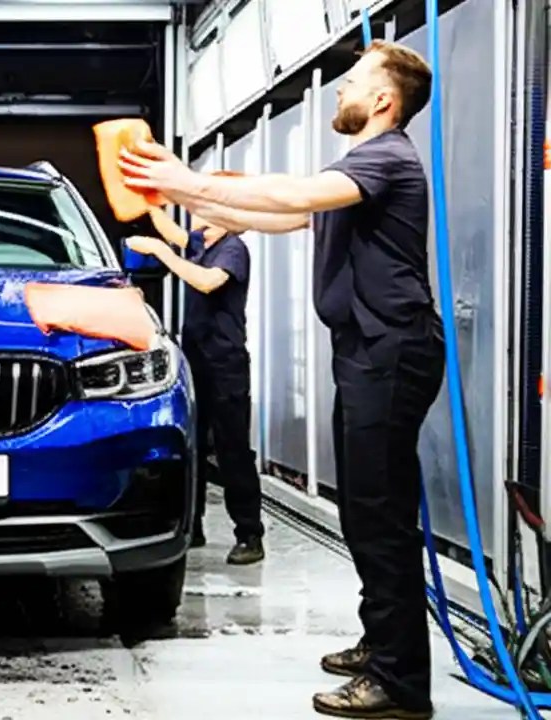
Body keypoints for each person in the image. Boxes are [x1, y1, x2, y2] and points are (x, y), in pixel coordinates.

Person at [120, 40, 439, 719]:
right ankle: (383, 644)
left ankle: (401, 682)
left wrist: (188, 181)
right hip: (366, 352)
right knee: (363, 511)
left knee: (381, 515)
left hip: (392, 351)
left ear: (383, 100)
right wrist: (183, 194)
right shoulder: (356, 172)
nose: (339, 89)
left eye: (351, 81)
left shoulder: (385, 158)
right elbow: (275, 214)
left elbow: (290, 193)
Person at [127, 205, 264, 565]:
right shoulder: (201, 243)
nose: (194, 212)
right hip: (197, 360)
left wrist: (160, 252)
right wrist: (147, 201)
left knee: (232, 449)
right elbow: (172, 231)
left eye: (203, 206)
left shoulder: (233, 249)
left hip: (226, 363)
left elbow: (206, 281)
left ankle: (250, 534)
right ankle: (194, 526)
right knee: (194, 446)